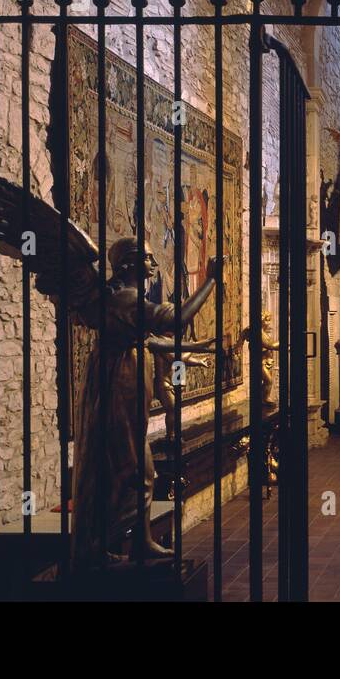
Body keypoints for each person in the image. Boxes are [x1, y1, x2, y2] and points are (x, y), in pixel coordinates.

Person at [71, 237, 221, 566]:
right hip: (118, 385)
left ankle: (141, 542)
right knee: (135, 471)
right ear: (128, 264)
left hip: (128, 381)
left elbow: (151, 341)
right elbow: (175, 319)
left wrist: (195, 349)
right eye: (148, 259)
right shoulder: (124, 299)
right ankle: (96, 545)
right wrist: (210, 279)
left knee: (143, 469)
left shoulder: (123, 302)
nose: (154, 266)